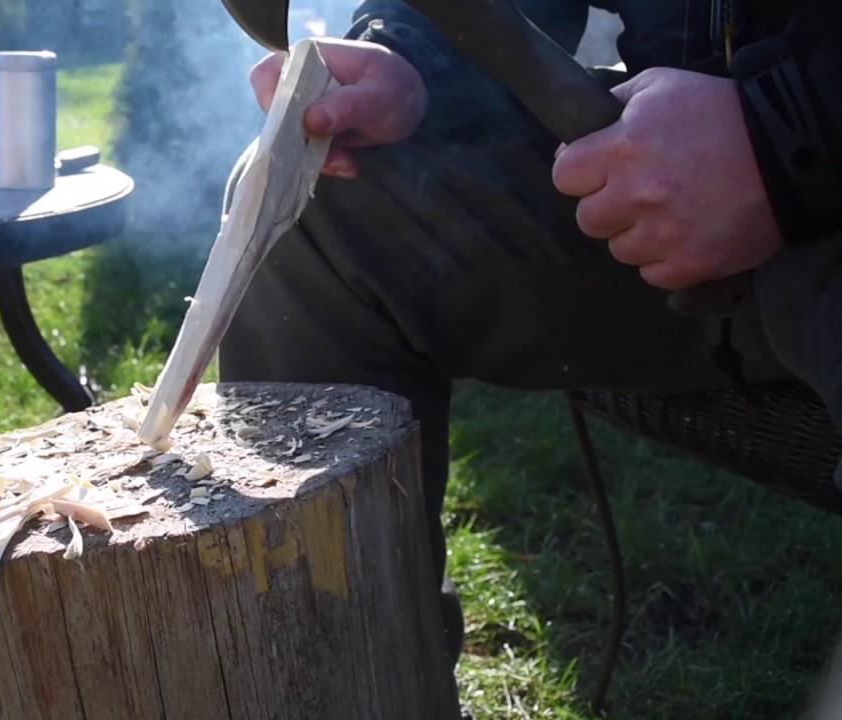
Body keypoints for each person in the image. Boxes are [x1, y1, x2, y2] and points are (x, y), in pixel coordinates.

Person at [216, 0, 842, 684]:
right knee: (317, 210)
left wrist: (789, 133)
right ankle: (346, 687)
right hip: (670, 179)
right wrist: (411, 52)